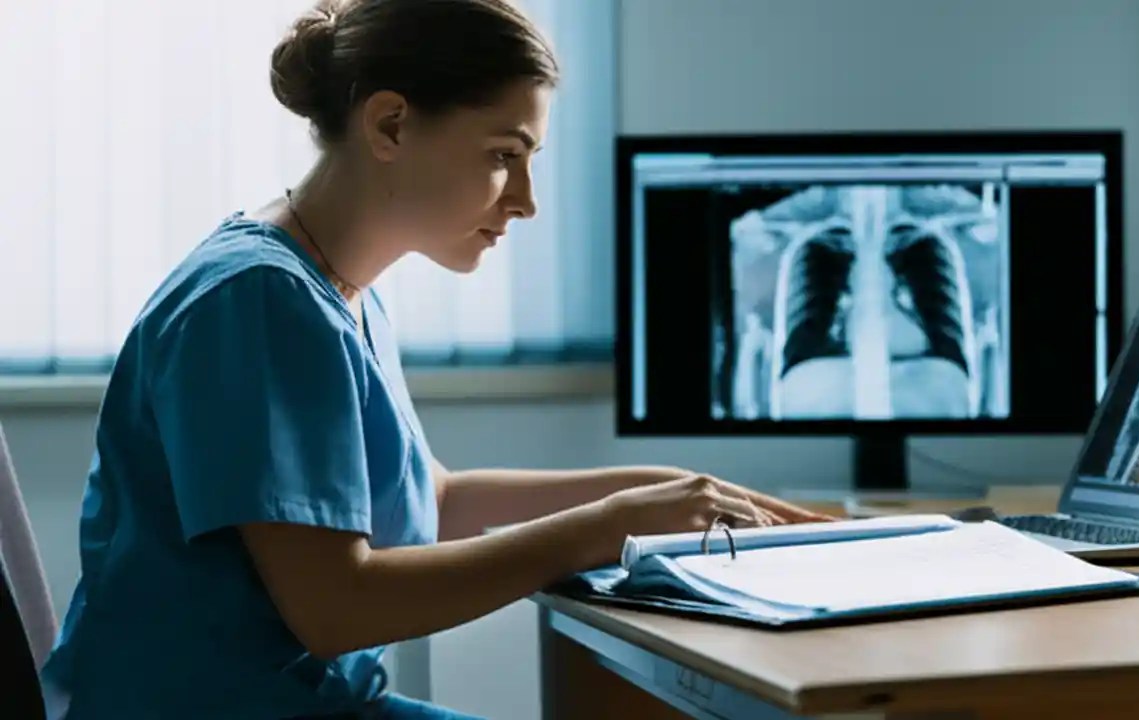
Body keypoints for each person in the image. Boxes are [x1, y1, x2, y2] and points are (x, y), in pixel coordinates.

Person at [39, 1, 833, 718]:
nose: (525, 199)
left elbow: (430, 498)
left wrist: (655, 490)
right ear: (389, 126)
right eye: (502, 155)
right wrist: (603, 528)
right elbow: (337, 607)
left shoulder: (331, 286)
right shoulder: (258, 301)